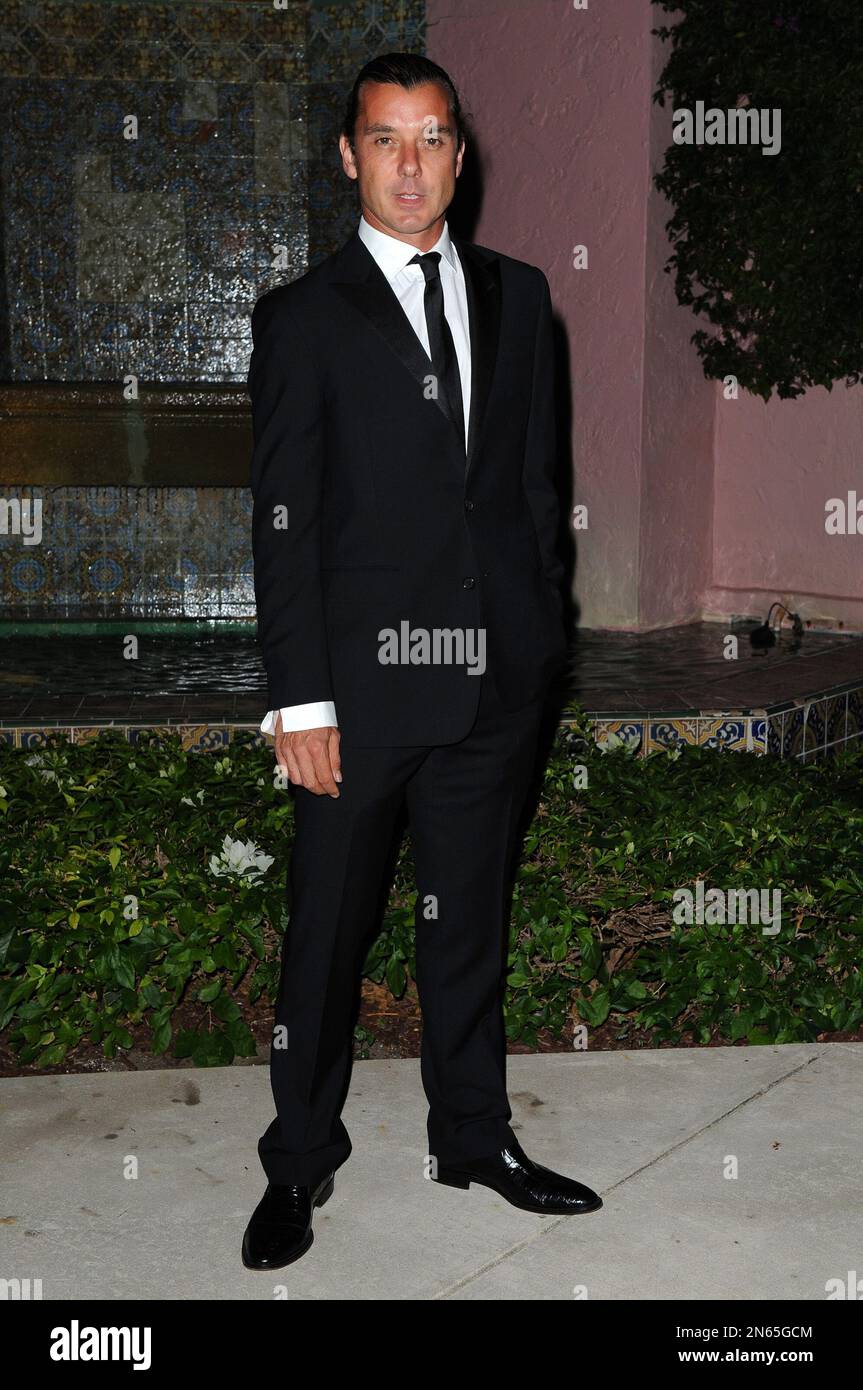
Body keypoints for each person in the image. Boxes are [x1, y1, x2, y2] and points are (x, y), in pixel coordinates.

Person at [242, 52, 601, 1271]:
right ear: (348, 157)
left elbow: (532, 493)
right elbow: (281, 518)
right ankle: (297, 1163)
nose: (410, 163)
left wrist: (541, 638)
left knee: (466, 925)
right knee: (324, 940)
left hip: (494, 680)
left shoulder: (519, 295)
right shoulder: (303, 317)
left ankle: (474, 1137)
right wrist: (297, 694)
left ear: (461, 153)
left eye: (432, 137)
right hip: (359, 690)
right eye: (385, 139)